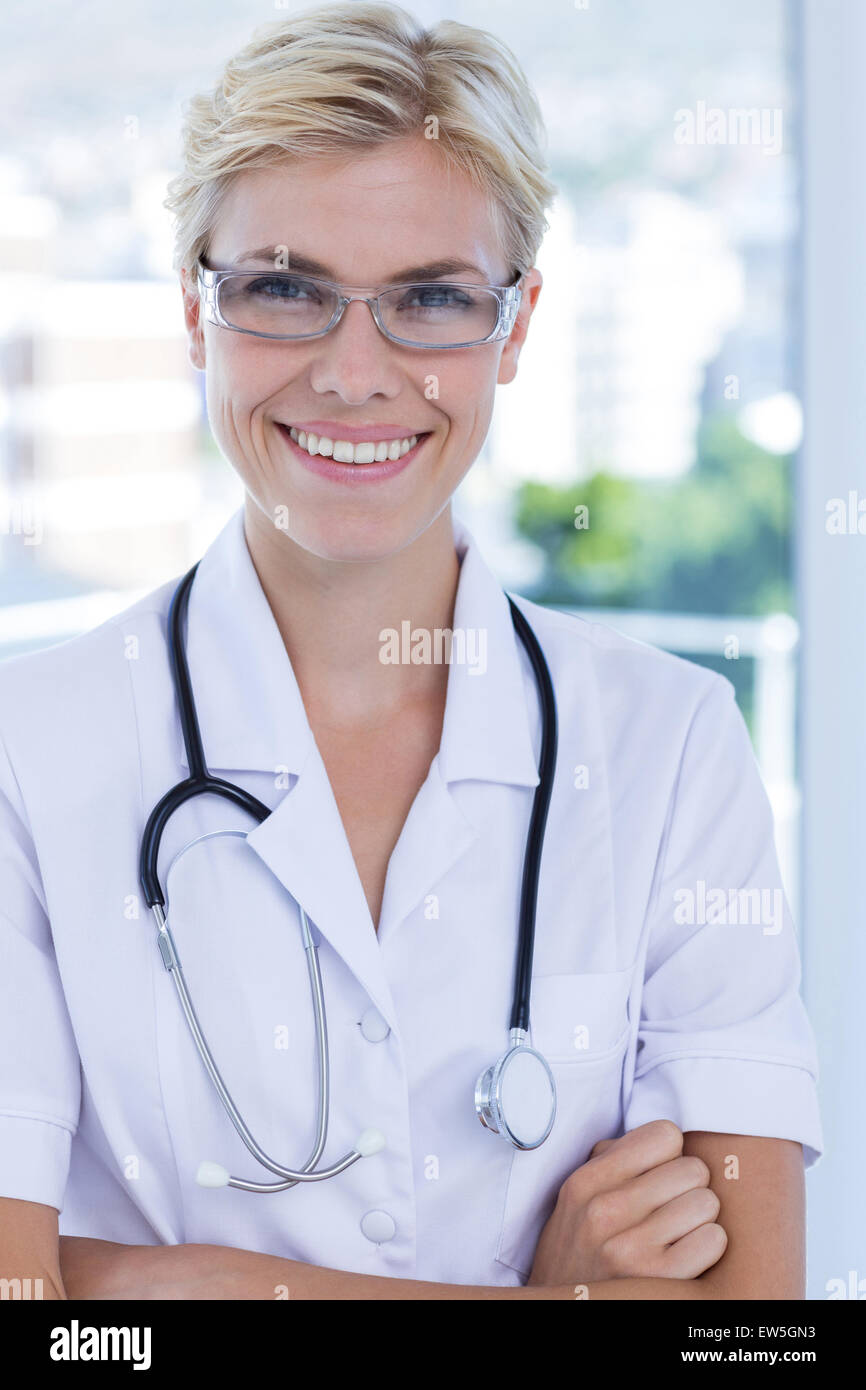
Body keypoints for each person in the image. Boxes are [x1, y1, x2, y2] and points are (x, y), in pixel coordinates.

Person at [0, 1, 821, 1301]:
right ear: (190, 306)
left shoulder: (670, 749)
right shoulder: (29, 753)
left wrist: (157, 1282)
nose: (351, 369)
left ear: (517, 321)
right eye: (282, 287)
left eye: (432, 299)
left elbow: (746, 1332)